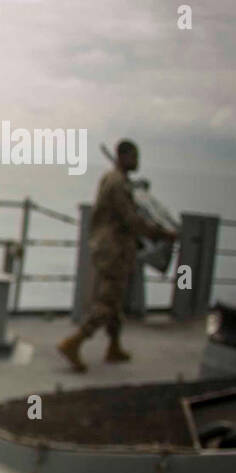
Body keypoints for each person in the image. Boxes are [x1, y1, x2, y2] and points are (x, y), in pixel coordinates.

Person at [57, 139, 176, 371]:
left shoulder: (114, 180)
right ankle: (74, 342)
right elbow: (131, 220)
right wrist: (161, 233)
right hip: (114, 249)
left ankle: (114, 346)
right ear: (122, 156)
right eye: (134, 156)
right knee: (108, 301)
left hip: (112, 248)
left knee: (115, 300)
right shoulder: (118, 184)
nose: (137, 161)